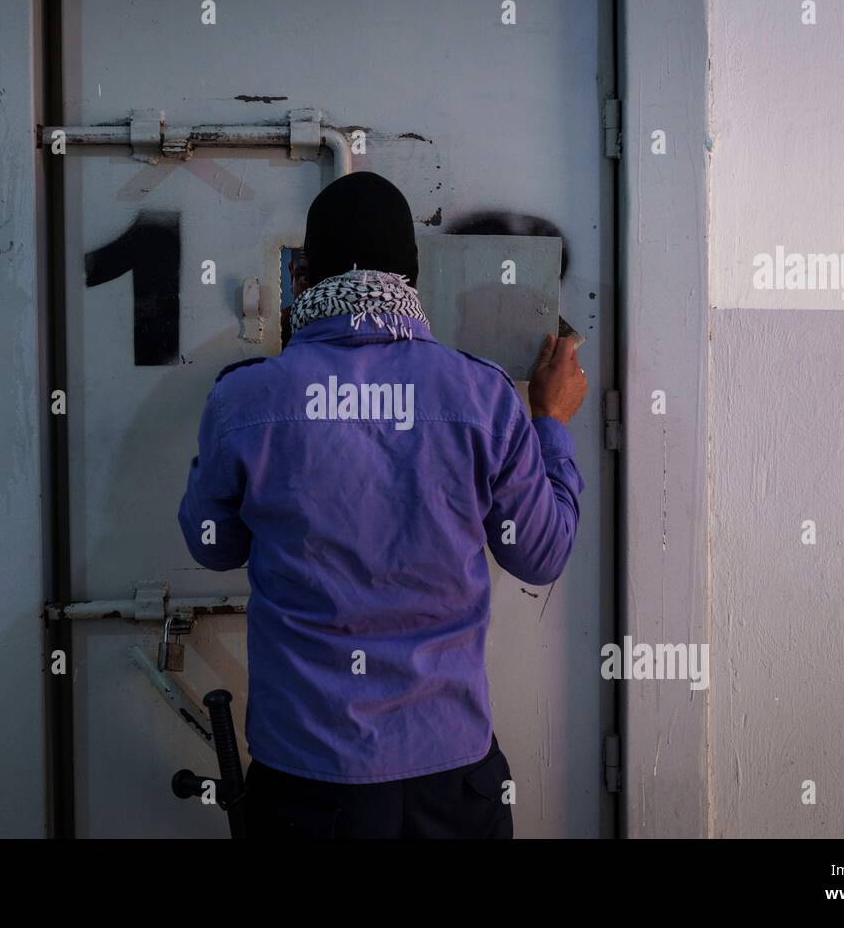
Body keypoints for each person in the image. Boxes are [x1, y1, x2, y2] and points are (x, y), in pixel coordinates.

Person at [178, 170, 586, 838]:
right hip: (448, 773)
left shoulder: (246, 399)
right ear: (413, 278)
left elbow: (213, 547)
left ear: (305, 276)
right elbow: (542, 555)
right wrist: (551, 423)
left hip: (304, 780)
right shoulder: (481, 397)